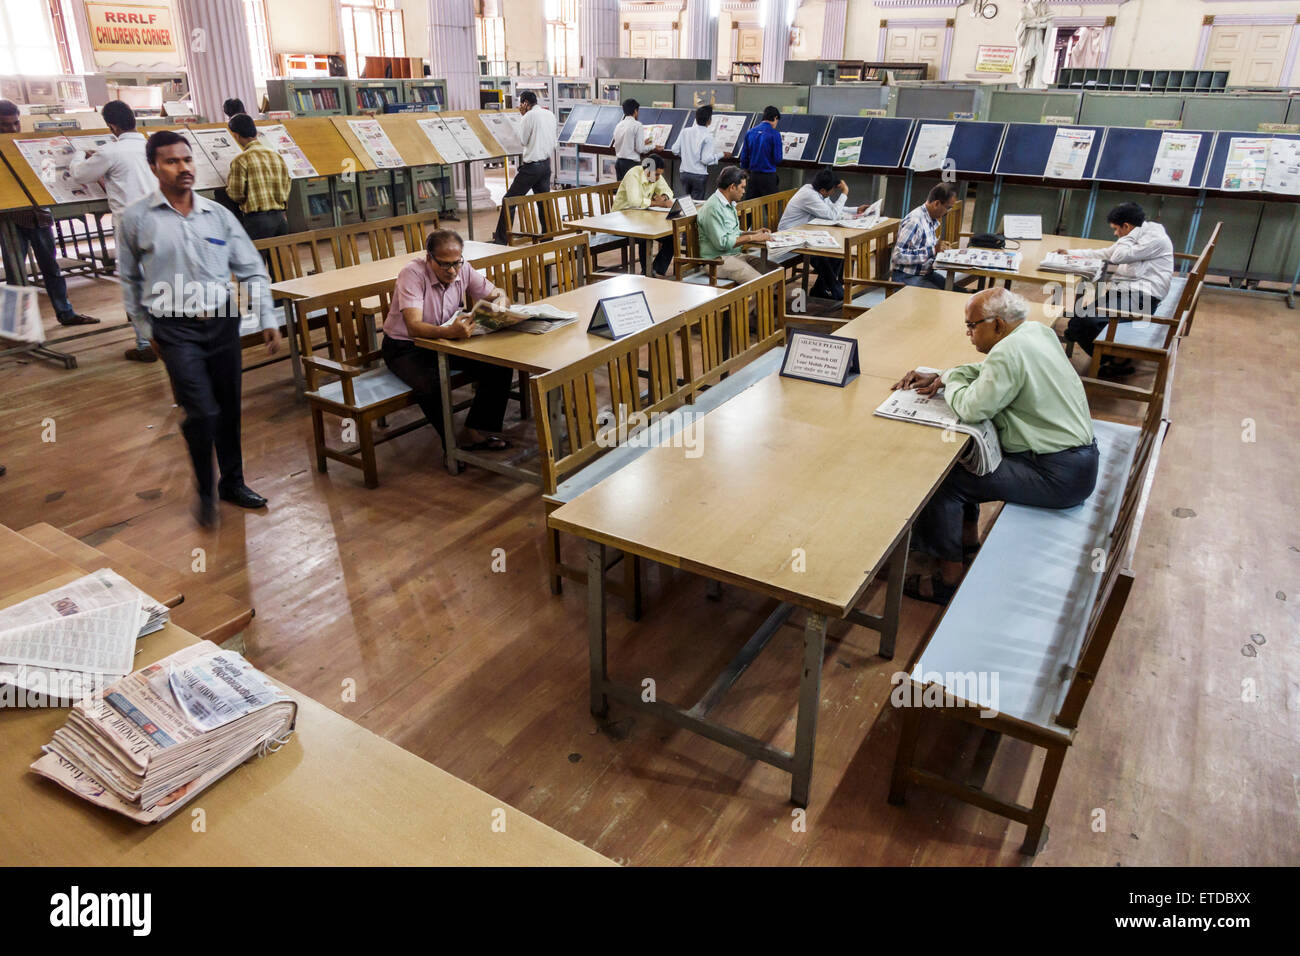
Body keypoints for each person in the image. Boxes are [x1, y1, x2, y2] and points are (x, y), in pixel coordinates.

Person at [116, 130, 281, 527]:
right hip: (174, 328)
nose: (183, 168)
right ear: (154, 167)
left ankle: (233, 483)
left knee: (228, 408)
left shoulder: (218, 214)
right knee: (202, 411)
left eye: (187, 160)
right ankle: (206, 489)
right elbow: (129, 280)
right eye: (172, 162)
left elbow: (250, 268)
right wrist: (144, 331)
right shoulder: (136, 219)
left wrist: (268, 318)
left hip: (223, 322)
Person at [892, 288, 1099, 604]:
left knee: (942, 483)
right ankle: (966, 542)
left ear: (998, 325)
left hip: (1058, 474)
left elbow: (973, 408)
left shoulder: (1007, 352)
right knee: (968, 465)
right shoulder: (1037, 333)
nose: (968, 333)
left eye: (972, 326)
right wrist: (947, 374)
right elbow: (990, 372)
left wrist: (953, 382)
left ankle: (948, 579)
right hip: (1078, 463)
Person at [382, 229, 516, 454]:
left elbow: (496, 293)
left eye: (456, 263)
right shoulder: (412, 274)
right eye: (445, 265)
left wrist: (501, 300)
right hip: (405, 347)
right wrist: (450, 332)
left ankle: (475, 430)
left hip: (446, 340)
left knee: (499, 365)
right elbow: (414, 327)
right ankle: (451, 445)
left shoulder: (464, 268)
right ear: (429, 258)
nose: (452, 271)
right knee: (431, 384)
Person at [67, 100, 156, 361]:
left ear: (112, 126)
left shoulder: (111, 151)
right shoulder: (150, 146)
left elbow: (80, 175)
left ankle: (145, 344)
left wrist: (79, 155)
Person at [0, 100, 98, 328]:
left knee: (51, 268)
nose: (12, 130)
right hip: (9, 219)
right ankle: (15, 324)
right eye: (5, 126)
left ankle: (65, 312)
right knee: (16, 273)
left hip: (38, 215)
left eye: (15, 124)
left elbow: (48, 179)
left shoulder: (28, 144)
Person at [1058, 202, 1174, 375]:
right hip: (1127, 291)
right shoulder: (1139, 233)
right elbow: (1108, 253)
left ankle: (1110, 360)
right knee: (1077, 321)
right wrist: (1071, 253)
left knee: (1082, 323)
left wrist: (1127, 236)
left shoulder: (1153, 238)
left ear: (1126, 226)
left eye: (1116, 229)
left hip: (1144, 297)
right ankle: (1107, 355)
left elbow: (1118, 256)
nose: (1115, 233)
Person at [778, 169, 873, 300]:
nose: (833, 192)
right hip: (789, 236)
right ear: (823, 190)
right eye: (832, 190)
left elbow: (831, 208)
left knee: (838, 253)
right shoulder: (809, 195)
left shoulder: (816, 191)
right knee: (822, 256)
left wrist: (856, 210)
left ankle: (820, 288)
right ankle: (834, 288)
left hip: (805, 233)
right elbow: (832, 215)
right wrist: (845, 193)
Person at [491, 90, 558, 245]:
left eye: (521, 104)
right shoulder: (549, 114)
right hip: (546, 165)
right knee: (543, 201)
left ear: (526, 103)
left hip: (532, 167)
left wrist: (522, 118)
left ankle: (500, 241)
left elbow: (523, 140)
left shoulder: (529, 116)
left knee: (509, 200)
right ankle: (548, 236)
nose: (520, 107)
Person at [696, 166, 773, 285]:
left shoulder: (729, 204)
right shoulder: (713, 208)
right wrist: (752, 238)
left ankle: (769, 302)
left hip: (733, 255)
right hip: (717, 261)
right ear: (732, 187)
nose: (744, 191)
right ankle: (755, 303)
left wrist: (753, 233)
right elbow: (722, 243)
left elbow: (733, 232)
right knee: (759, 282)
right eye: (742, 187)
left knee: (775, 271)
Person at [225, 113, 291, 241]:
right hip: (280, 219)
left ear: (236, 135)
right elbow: (287, 186)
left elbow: (235, 194)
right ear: (255, 132)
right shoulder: (276, 156)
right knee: (280, 260)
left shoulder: (241, 160)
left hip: (257, 221)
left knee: (256, 260)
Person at [612, 155, 674, 276]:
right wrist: (659, 203)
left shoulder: (654, 175)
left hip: (640, 217)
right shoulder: (633, 175)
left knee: (672, 236)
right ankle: (647, 271)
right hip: (620, 219)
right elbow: (634, 202)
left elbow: (668, 191)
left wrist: (664, 197)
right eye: (656, 175)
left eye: (659, 175)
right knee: (645, 235)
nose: (657, 178)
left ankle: (655, 268)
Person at [891, 182, 959, 290]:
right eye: (948, 208)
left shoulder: (930, 218)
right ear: (936, 204)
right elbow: (898, 256)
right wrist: (933, 250)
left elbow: (925, 247)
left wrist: (942, 250)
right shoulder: (915, 221)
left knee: (957, 292)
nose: (948, 212)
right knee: (944, 298)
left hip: (925, 274)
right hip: (907, 278)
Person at [671, 104, 720, 201]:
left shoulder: (685, 131)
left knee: (686, 203)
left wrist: (686, 155)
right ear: (709, 121)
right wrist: (721, 155)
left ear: (696, 118)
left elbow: (674, 150)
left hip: (684, 173)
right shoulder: (708, 136)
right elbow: (705, 160)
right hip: (699, 175)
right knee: (696, 204)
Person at [737, 106, 781, 200]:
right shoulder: (775, 134)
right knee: (772, 209)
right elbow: (777, 158)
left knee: (750, 208)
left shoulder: (750, 132)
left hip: (753, 176)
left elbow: (744, 157)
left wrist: (746, 170)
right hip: (768, 176)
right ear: (775, 117)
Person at [612, 98, 652, 181]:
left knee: (622, 192)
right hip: (631, 165)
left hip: (619, 163)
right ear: (635, 111)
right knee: (632, 192)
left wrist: (642, 142)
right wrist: (653, 146)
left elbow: (625, 142)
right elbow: (640, 149)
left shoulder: (619, 125)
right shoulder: (637, 125)